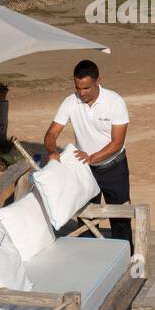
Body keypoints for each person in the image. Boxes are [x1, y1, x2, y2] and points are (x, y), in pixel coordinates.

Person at [43, 60, 131, 245]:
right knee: (86, 217)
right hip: (85, 169)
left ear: (98, 80)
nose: (81, 93)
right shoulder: (70, 101)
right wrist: (52, 151)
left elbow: (117, 143)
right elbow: (51, 133)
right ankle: (89, 254)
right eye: (78, 88)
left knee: (120, 217)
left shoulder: (115, 102)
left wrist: (91, 157)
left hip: (114, 168)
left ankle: (127, 258)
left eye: (86, 88)